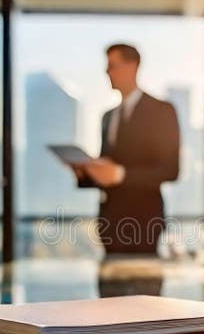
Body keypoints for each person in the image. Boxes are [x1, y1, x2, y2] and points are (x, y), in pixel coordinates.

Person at [74, 44, 180, 254]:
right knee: (106, 284)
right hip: (109, 221)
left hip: (143, 221)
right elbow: (108, 166)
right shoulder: (108, 116)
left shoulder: (161, 111)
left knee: (144, 285)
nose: (107, 72)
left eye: (112, 65)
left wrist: (121, 174)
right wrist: (87, 172)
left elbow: (170, 170)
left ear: (132, 66)